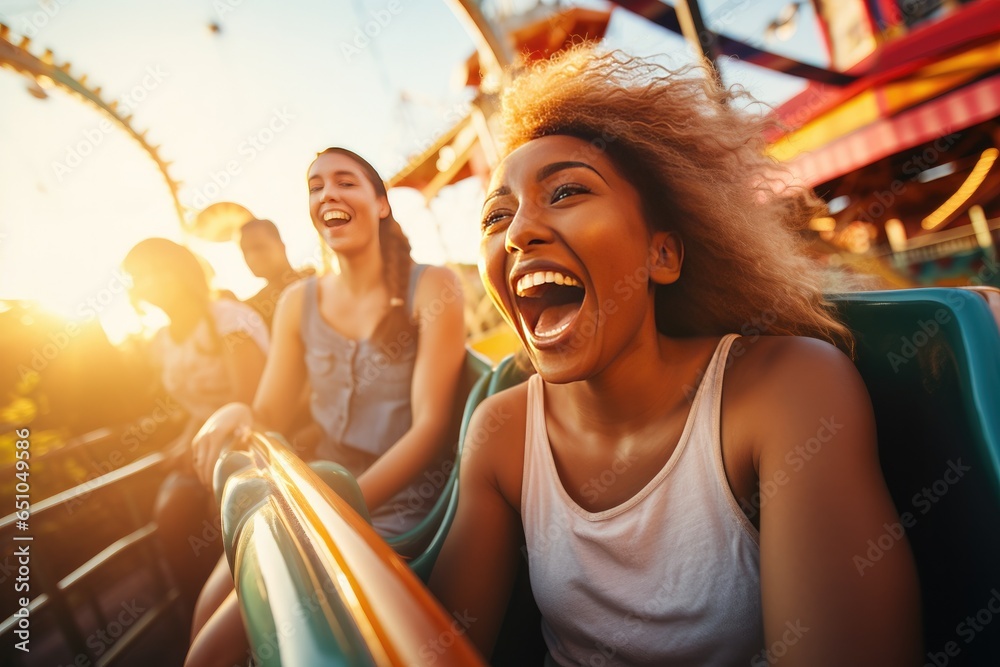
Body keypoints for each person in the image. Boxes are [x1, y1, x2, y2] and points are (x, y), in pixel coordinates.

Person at [429, 47, 922, 666]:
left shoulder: (785, 390)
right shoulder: (500, 433)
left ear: (663, 255)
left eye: (565, 192)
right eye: (496, 215)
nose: (519, 230)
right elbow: (434, 650)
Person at [184, 147, 467, 667]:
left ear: (381, 204)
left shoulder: (433, 286)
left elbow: (429, 429)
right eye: (316, 187)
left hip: (398, 503)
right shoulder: (298, 303)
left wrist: (341, 501)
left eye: (345, 182)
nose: (327, 193)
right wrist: (235, 412)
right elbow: (268, 408)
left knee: (220, 648)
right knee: (207, 613)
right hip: (313, 490)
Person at [121, 238, 269, 619]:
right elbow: (197, 407)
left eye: (150, 271)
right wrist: (183, 442)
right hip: (207, 444)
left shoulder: (228, 318)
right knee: (170, 513)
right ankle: (201, 616)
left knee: (211, 510)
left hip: (253, 435)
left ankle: (251, 616)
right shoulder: (161, 342)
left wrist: (200, 447)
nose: (143, 282)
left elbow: (245, 398)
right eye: (136, 276)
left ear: (178, 269)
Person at [237, 217, 313, 330]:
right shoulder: (251, 308)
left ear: (281, 246)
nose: (251, 257)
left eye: (258, 247)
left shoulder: (314, 286)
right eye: (245, 251)